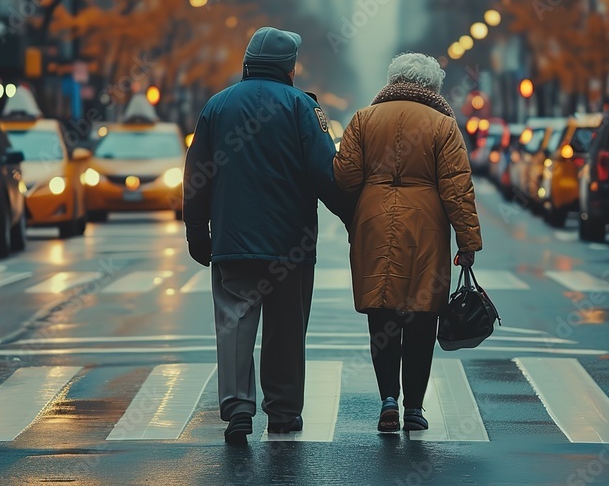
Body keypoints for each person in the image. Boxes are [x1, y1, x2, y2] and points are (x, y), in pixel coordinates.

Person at [183, 26, 345, 445]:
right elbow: (326, 175)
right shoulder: (302, 108)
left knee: (234, 323)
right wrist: (355, 219)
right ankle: (284, 412)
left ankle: (238, 409)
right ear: (289, 68)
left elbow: (196, 175)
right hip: (291, 246)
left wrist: (197, 232)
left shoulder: (217, 106)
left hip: (232, 241)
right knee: (286, 330)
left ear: (247, 62)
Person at [333, 52, 482, 433]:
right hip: (426, 228)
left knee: (382, 315)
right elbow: (457, 188)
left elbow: (345, 178)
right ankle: (414, 407)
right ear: (431, 87)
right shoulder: (443, 125)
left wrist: (357, 215)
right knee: (421, 317)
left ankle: (387, 400)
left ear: (392, 80)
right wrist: (467, 242)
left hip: (374, 224)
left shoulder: (364, 119)